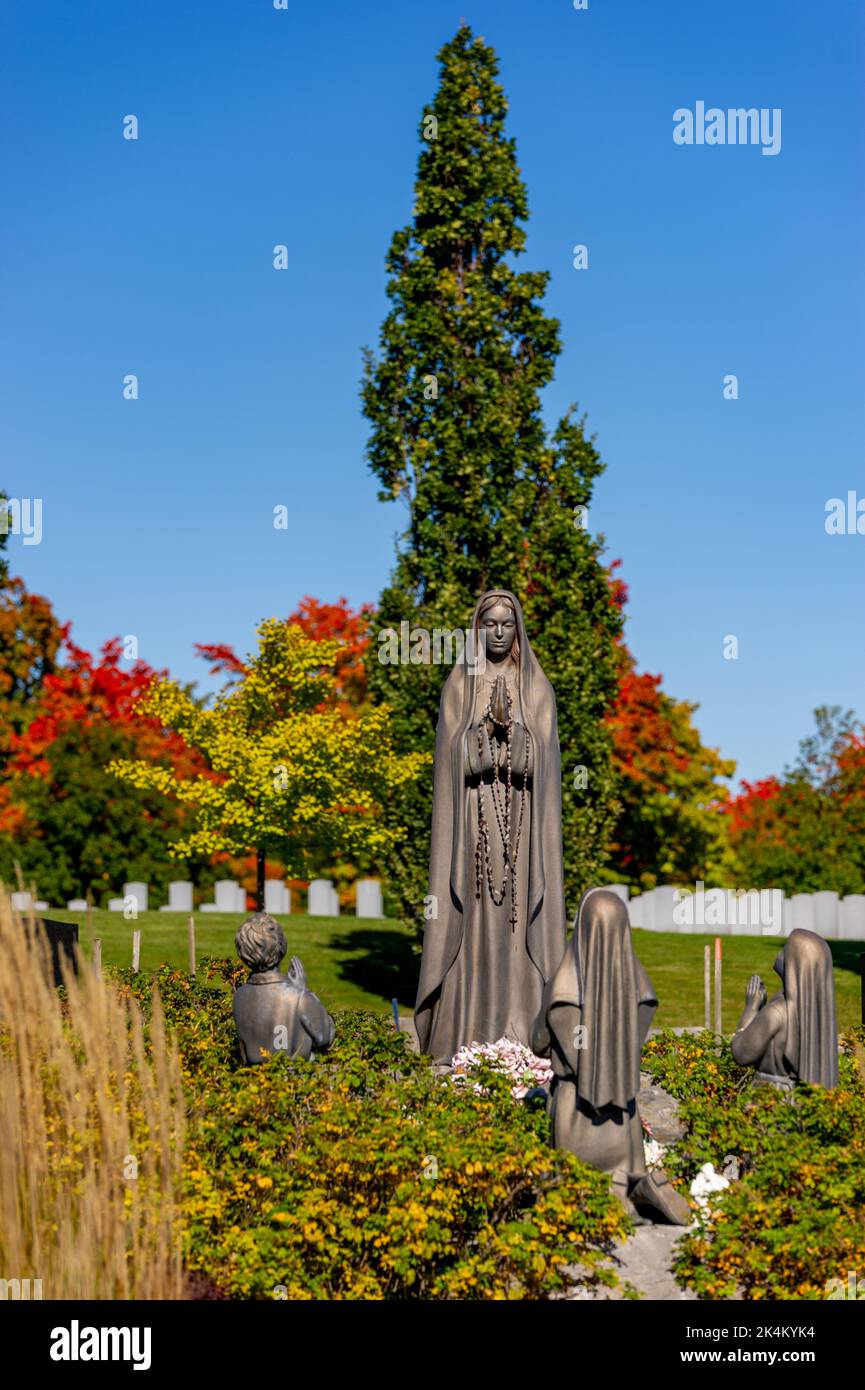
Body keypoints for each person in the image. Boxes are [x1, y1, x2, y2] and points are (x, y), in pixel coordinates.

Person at [414, 589, 567, 1066]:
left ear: (517, 628)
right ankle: (466, 1030)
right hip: (472, 832)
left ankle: (522, 1031)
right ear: (477, 628)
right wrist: (478, 740)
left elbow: (547, 760)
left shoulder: (535, 687)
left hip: (522, 834)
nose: (499, 633)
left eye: (507, 624)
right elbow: (447, 759)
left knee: (516, 927)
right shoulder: (461, 684)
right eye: (490, 624)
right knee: (476, 926)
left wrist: (519, 740)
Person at [532, 887, 690, 1224]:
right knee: (621, 1169)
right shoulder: (639, 986)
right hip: (623, 1114)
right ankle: (627, 1188)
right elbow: (628, 1043)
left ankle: (592, 1197)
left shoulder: (563, 984)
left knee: (571, 1179)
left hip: (574, 1109)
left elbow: (538, 1043)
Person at [730, 928, 838, 1089]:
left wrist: (751, 1008)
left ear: (796, 962)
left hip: (770, 1098)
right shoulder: (816, 1012)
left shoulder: (776, 1012)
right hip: (801, 1098)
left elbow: (741, 1053)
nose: (780, 953)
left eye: (786, 948)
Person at [233, 912, 335, 1064]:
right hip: (294, 1081)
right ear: (281, 946)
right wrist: (302, 991)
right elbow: (324, 1037)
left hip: (252, 1081)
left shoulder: (239, 996)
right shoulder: (298, 997)